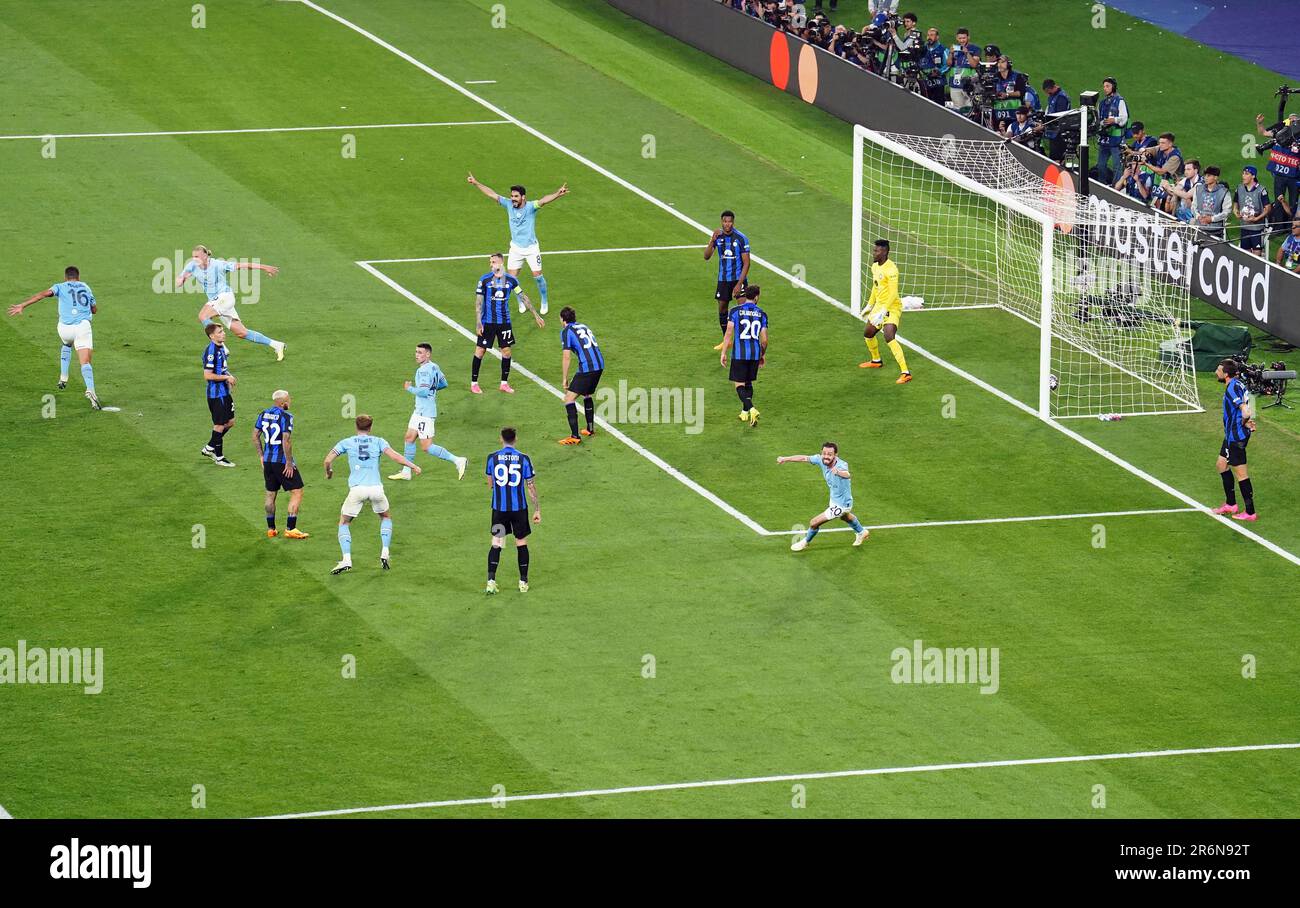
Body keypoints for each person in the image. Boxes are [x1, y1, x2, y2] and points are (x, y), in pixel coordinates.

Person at [324, 415, 420, 575]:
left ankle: (346, 559)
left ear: (356, 426)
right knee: (385, 517)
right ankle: (385, 551)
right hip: (376, 489)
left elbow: (327, 460)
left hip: (357, 490)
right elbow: (395, 456)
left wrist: (329, 472)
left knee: (344, 523)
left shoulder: (346, 442)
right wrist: (412, 465)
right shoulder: (378, 441)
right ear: (370, 427)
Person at [466, 174, 569, 316]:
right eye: (512, 196)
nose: (513, 199)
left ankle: (544, 301)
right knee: (512, 279)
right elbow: (492, 194)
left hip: (532, 248)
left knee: (538, 276)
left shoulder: (531, 207)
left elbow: (544, 200)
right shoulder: (508, 204)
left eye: (516, 196)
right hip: (515, 249)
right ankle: (521, 302)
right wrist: (476, 183)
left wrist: (558, 193)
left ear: (523, 197)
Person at [9, 266, 103, 408]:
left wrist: (23, 305)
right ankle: (91, 390)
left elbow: (43, 294)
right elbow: (94, 310)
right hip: (82, 328)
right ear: (78, 276)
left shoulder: (59, 286)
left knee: (67, 344)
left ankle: (63, 377)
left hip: (64, 330)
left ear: (65, 277)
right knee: (85, 362)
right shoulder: (86, 287)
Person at [175, 245, 284, 360]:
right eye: (193, 256)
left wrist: (264, 267)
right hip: (217, 302)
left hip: (225, 297)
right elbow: (179, 281)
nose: (194, 259)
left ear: (205, 255)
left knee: (203, 316)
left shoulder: (218, 264)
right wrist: (181, 279)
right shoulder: (192, 266)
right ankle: (276, 344)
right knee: (241, 332)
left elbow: (242, 266)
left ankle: (221, 347)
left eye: (197, 256)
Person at [390, 343, 467, 480]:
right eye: (416, 352)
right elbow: (444, 383)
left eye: (420, 352)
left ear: (428, 354)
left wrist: (410, 388)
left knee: (426, 447)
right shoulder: (434, 366)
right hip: (419, 411)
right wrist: (432, 391)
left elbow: (424, 391)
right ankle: (406, 472)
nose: (417, 355)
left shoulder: (423, 370)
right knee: (409, 438)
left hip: (425, 414)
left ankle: (458, 460)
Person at [471, 253, 544, 394]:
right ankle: (474, 383)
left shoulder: (511, 280)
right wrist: (478, 323)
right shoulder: (484, 280)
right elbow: (478, 302)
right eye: (490, 262)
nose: (491, 264)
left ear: (501, 263)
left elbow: (522, 296)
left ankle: (504, 383)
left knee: (506, 352)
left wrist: (536, 315)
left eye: (493, 262)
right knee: (480, 351)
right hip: (488, 322)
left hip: (505, 322)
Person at [777, 442, 871, 550]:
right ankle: (862, 531)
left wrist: (838, 472)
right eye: (824, 453)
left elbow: (847, 474)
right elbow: (804, 458)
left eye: (829, 454)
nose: (826, 456)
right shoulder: (820, 459)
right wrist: (785, 459)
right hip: (835, 499)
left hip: (842, 504)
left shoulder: (841, 465)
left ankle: (805, 542)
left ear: (835, 455)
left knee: (814, 522)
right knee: (845, 517)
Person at [484, 427, 541, 594]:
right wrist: (537, 509)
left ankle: (491, 581)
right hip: (519, 510)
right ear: (515, 439)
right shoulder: (523, 459)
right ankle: (523, 582)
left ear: (501, 439)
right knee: (521, 542)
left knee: (497, 542)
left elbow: (491, 484)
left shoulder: (492, 458)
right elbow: (530, 487)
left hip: (499, 510)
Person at [253, 390, 309, 539]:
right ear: (283, 402)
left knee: (270, 493)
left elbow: (255, 436)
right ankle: (291, 528)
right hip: (281, 461)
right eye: (289, 400)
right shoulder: (286, 416)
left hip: (268, 461)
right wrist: (289, 463)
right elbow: (286, 440)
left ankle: (271, 529)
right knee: (297, 491)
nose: (290, 402)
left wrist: (261, 456)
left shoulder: (263, 414)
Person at [1210, 360, 1257, 522]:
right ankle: (1231, 504)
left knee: (1241, 474)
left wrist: (1245, 422)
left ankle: (1250, 512)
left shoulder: (1231, 389)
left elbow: (1245, 410)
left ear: (1226, 374)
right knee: (1221, 465)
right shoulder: (1238, 384)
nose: (1216, 372)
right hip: (1231, 434)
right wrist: (1248, 422)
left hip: (1236, 437)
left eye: (1219, 369)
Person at [858, 239, 911, 384]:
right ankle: (876, 360)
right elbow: (876, 287)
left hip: (892, 307)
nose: (874, 253)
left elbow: (893, 293)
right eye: (874, 250)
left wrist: (884, 311)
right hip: (879, 307)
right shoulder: (875, 267)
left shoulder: (892, 270)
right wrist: (869, 306)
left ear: (885, 252)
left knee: (889, 336)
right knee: (868, 333)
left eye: (877, 251)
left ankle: (905, 372)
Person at [719, 285, 769, 427]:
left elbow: (729, 332)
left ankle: (752, 409)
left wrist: (723, 352)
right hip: (754, 354)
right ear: (757, 297)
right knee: (749, 383)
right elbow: (764, 340)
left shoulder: (735, 311)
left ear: (746, 295)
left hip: (740, 353)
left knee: (739, 385)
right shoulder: (762, 314)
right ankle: (745, 412)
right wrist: (761, 354)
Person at [558, 307, 605, 445]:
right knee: (586, 394)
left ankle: (575, 436)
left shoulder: (566, 331)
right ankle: (590, 429)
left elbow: (566, 357)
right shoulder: (583, 326)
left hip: (587, 367)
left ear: (563, 319)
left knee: (568, 399)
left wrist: (565, 379)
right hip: (599, 364)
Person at [705, 210, 752, 339]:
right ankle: (726, 339)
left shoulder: (741, 238)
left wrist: (739, 284)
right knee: (722, 309)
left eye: (730, 221)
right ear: (721, 222)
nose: (727, 224)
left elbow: (747, 263)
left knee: (744, 309)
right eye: (725, 221)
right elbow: (706, 256)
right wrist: (712, 240)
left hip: (738, 278)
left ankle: (743, 338)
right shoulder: (717, 236)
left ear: (733, 222)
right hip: (723, 279)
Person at [1255, 112, 1300, 232]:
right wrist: (1260, 123)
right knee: (1278, 201)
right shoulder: (1280, 131)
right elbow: (1263, 132)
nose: (1292, 122)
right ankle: (1279, 227)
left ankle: (1293, 227)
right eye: (1290, 120)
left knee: (1293, 202)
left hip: (1294, 176)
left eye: (1295, 120)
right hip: (1280, 174)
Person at [200, 323, 237, 468]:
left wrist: (229, 375)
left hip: (224, 392)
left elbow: (221, 369)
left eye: (223, 331)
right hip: (216, 394)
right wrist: (226, 378)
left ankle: (209, 447)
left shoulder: (221, 348)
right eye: (220, 332)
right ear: (212, 336)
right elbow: (207, 375)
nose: (224, 334)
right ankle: (219, 457)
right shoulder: (211, 351)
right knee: (220, 424)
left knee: (230, 422)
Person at [1095, 77, 1128, 186]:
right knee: (1100, 165)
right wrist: (1102, 123)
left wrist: (1114, 120)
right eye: (1104, 86)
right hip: (1104, 139)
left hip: (1116, 140)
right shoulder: (1102, 102)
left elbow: (1124, 118)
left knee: (1117, 166)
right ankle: (1102, 185)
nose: (1105, 88)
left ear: (1113, 87)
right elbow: (1097, 119)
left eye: (1107, 86)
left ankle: (1116, 188)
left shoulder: (1120, 101)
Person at [1234, 165, 1273, 257]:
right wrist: (1235, 211)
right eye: (1243, 173)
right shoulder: (1239, 188)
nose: (1243, 176)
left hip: (1256, 228)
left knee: (1256, 254)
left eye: (1246, 174)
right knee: (1245, 253)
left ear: (1253, 176)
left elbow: (1268, 208)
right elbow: (1235, 203)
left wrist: (1257, 219)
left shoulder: (1261, 190)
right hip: (1244, 226)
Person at [1192, 166, 1233, 241]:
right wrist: (1198, 217)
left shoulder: (1224, 192)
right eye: (1205, 175)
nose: (1205, 178)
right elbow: (1193, 207)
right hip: (1199, 227)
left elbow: (1227, 212)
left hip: (1215, 230)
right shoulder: (1198, 189)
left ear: (1216, 178)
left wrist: (1211, 219)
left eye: (1209, 176)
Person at [947, 29, 980, 115]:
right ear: (956, 38)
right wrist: (950, 53)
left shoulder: (975, 49)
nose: (962, 40)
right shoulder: (954, 49)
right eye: (960, 38)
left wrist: (967, 53)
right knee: (958, 109)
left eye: (964, 38)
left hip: (969, 85)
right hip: (955, 84)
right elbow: (949, 64)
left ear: (968, 37)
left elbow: (974, 65)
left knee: (970, 109)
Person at [1040, 79, 1073, 162]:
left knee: (1057, 157)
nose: (1047, 93)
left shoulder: (1061, 97)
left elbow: (1059, 116)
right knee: (1053, 156)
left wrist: (1046, 124)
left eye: (1047, 91)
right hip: (1054, 130)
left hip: (1059, 132)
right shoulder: (1053, 95)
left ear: (1051, 88)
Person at [991, 56, 1026, 132]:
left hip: (1014, 114)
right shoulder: (994, 78)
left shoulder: (1017, 76)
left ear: (1009, 64)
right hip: (999, 114)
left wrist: (1007, 95)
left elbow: (1021, 92)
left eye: (1002, 62)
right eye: (998, 63)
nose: (1000, 65)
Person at [919, 28, 950, 105]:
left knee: (938, 106)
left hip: (938, 83)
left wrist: (939, 72)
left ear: (937, 37)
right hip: (924, 82)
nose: (929, 37)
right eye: (928, 35)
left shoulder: (943, 50)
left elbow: (947, 65)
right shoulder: (922, 49)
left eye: (932, 35)